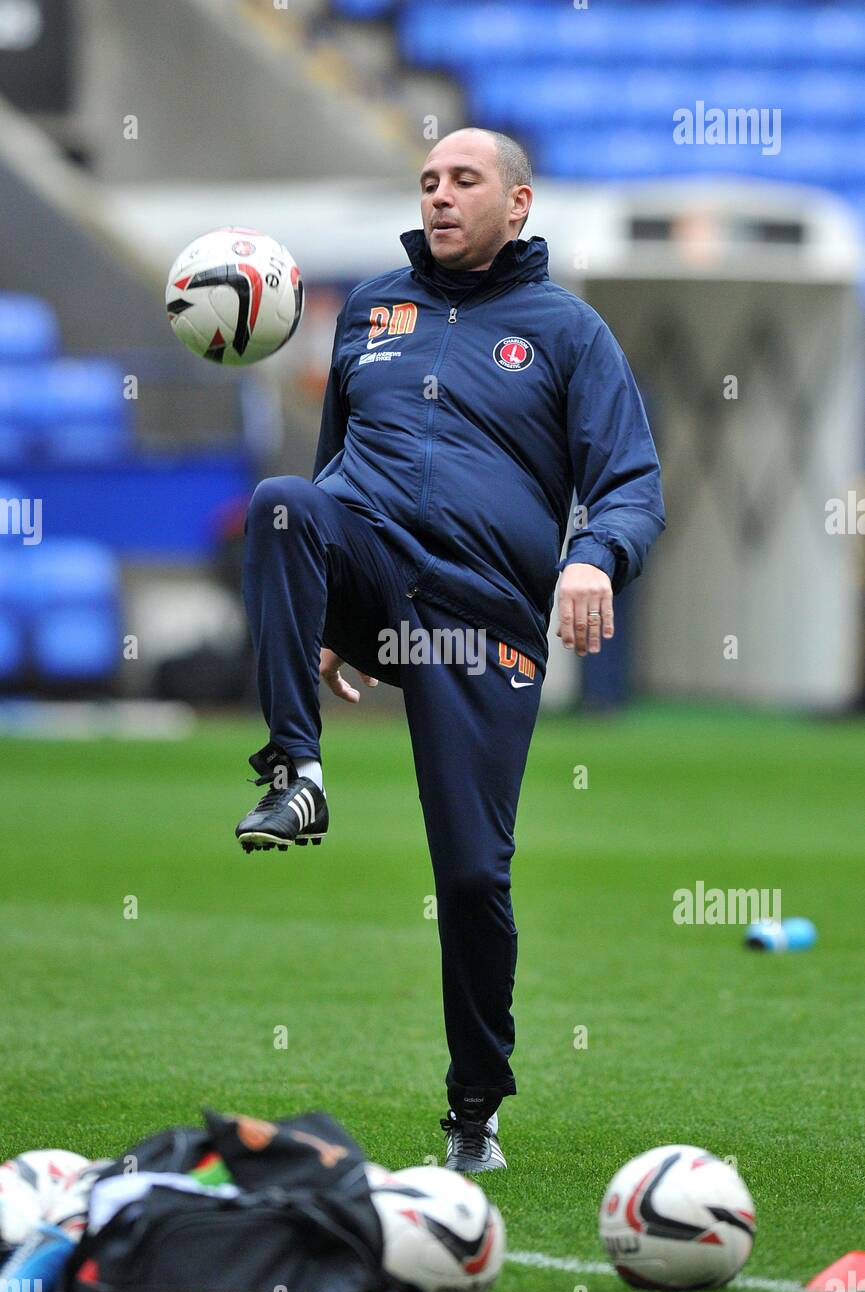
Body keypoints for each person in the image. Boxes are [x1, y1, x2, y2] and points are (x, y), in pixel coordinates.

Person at [236, 127, 665, 1171]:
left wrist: (593, 558)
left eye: (463, 180)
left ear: (516, 205)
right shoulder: (371, 313)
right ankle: (297, 770)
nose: (438, 195)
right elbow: (330, 466)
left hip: (481, 622)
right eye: (427, 180)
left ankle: (475, 1103)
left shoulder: (569, 334)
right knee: (284, 503)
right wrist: (328, 611)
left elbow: (631, 482)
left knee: (472, 875)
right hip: (375, 575)